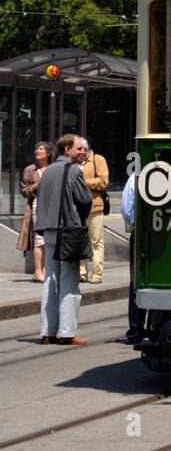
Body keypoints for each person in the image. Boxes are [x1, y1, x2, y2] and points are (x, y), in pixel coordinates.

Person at [36, 134, 93, 345]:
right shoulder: (73, 170)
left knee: (50, 280)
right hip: (68, 230)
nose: (82, 152)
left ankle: (47, 332)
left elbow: (41, 198)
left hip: (49, 230)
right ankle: (67, 333)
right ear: (67, 149)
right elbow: (85, 200)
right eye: (78, 149)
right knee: (69, 281)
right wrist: (80, 219)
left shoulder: (48, 170)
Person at [16, 142, 55, 281]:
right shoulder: (29, 169)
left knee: (49, 238)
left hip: (53, 205)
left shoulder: (53, 168)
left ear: (49, 153)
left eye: (41, 149)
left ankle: (46, 270)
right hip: (37, 203)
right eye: (36, 149)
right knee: (39, 239)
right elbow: (23, 190)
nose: (37, 151)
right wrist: (35, 186)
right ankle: (38, 271)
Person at [118, 171, 144, 345]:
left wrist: (136, 223)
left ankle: (136, 331)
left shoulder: (137, 176)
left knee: (137, 282)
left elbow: (126, 210)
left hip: (142, 233)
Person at [77, 138, 108, 284]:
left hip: (94, 206)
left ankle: (97, 273)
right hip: (76, 208)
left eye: (80, 148)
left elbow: (103, 181)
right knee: (80, 241)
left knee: (96, 241)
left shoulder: (97, 159)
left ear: (86, 149)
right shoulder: (74, 161)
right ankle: (81, 273)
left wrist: (83, 183)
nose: (78, 151)